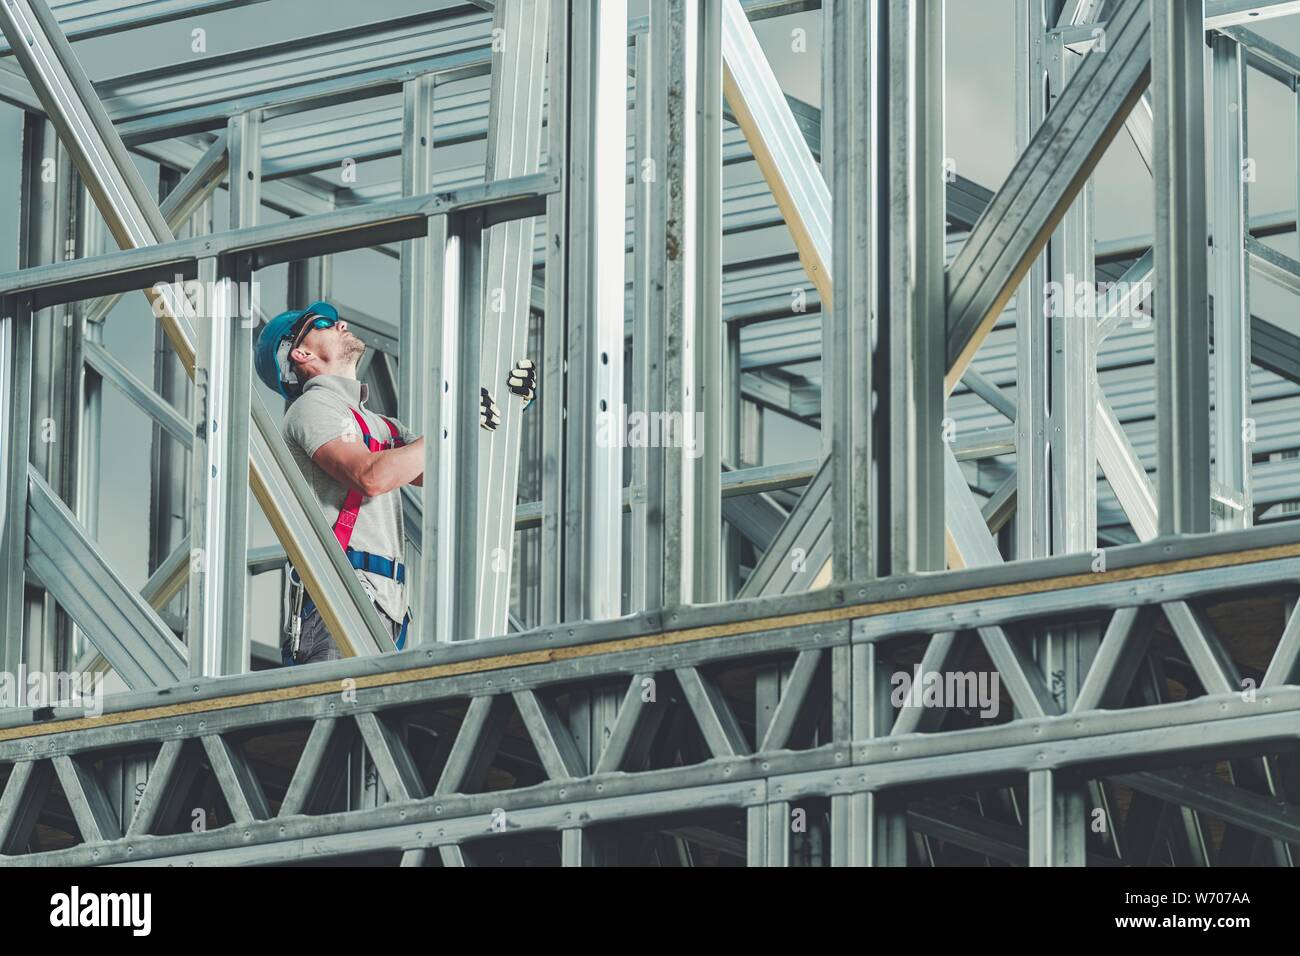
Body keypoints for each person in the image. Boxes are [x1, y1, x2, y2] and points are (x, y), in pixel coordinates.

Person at [253, 300, 535, 664]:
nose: (340, 325)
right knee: (340, 720)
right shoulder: (312, 407)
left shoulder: (381, 427)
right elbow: (370, 476)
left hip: (386, 611)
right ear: (301, 352)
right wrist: (455, 423)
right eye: (323, 322)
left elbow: (453, 474)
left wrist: (507, 411)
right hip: (338, 601)